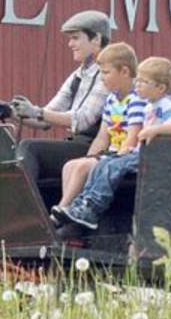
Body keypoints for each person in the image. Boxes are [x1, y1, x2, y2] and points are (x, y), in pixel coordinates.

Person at [56, 57, 171, 233]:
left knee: (113, 167)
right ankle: (82, 205)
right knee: (102, 164)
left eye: (144, 82)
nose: (137, 85)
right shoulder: (149, 106)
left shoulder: (166, 104)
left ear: (160, 88)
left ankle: (94, 207)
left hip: (155, 158)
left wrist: (153, 131)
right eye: (137, 80)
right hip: (140, 153)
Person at [0, 10, 114, 141]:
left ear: (96, 39)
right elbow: (45, 120)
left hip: (98, 147)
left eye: (75, 38)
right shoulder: (77, 76)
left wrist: (36, 112)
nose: (70, 44)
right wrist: (12, 113)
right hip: (78, 142)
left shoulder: (107, 74)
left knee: (30, 147)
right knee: (28, 147)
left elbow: (83, 120)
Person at [53, 43, 138, 217]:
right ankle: (71, 213)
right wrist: (90, 157)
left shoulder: (139, 99)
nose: (102, 78)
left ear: (124, 72)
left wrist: (93, 162)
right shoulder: (112, 100)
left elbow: (134, 136)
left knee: (82, 167)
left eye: (106, 73)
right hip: (111, 152)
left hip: (126, 157)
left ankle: (60, 213)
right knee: (70, 166)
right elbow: (102, 138)